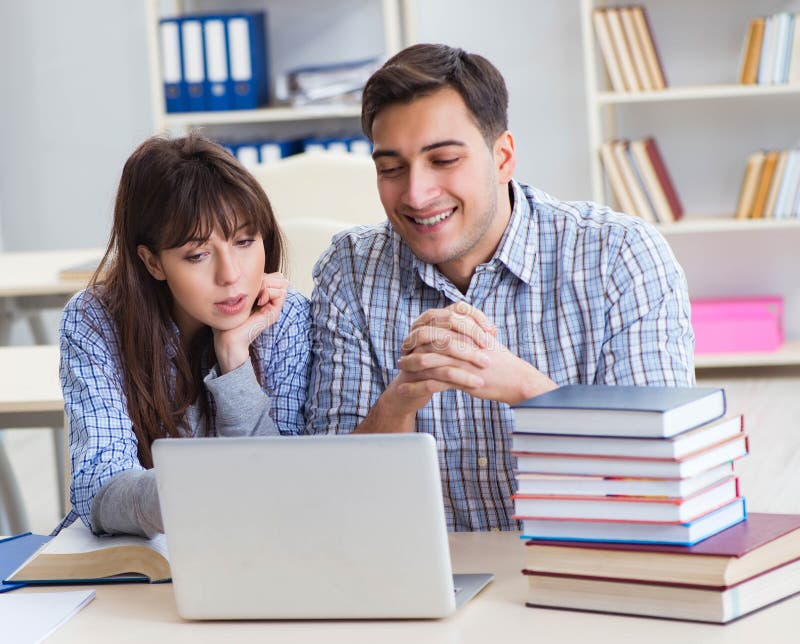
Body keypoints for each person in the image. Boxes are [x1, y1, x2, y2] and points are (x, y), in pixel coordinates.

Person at [306, 44, 694, 531]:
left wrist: (529, 391)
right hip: (427, 582)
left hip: (584, 566)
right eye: (391, 168)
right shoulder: (350, 272)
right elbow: (333, 497)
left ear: (503, 156)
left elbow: (661, 477)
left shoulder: (619, 257)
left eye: (444, 159)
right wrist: (397, 404)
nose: (415, 194)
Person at [59, 133, 310, 537]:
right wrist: (204, 495)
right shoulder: (95, 319)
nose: (231, 275)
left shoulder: (286, 317)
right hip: (143, 568)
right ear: (152, 262)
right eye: (198, 254)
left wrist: (234, 358)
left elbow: (289, 493)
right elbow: (98, 485)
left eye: (245, 242)